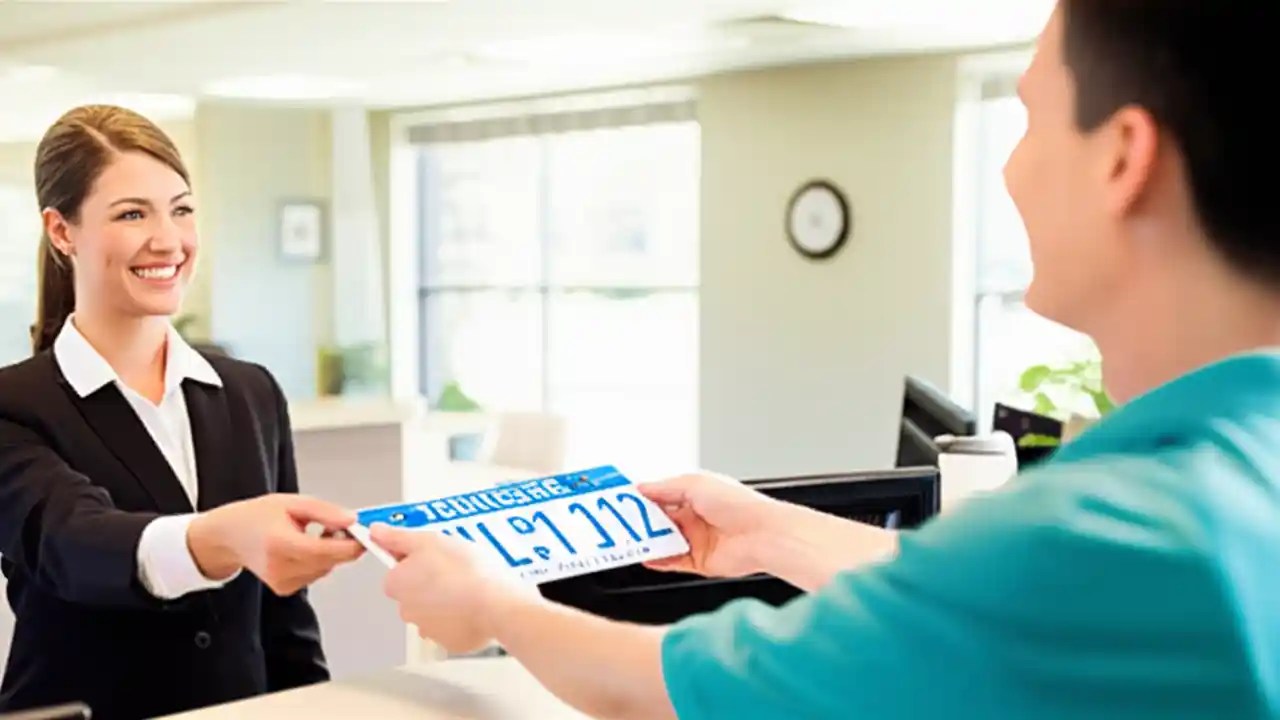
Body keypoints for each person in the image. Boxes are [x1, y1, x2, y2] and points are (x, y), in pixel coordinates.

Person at [373, 1, 1280, 718]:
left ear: (1124, 158)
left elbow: (657, 691)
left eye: (1032, 120)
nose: (1008, 173)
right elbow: (1007, 611)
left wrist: (491, 604)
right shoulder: (1219, 493)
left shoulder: (1105, 532)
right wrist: (771, 533)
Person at [0, 105, 365, 719]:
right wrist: (222, 538)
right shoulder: (15, 406)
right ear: (62, 232)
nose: (167, 239)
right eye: (132, 214)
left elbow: (284, 619)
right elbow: (74, 543)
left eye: (182, 208)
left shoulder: (251, 393)